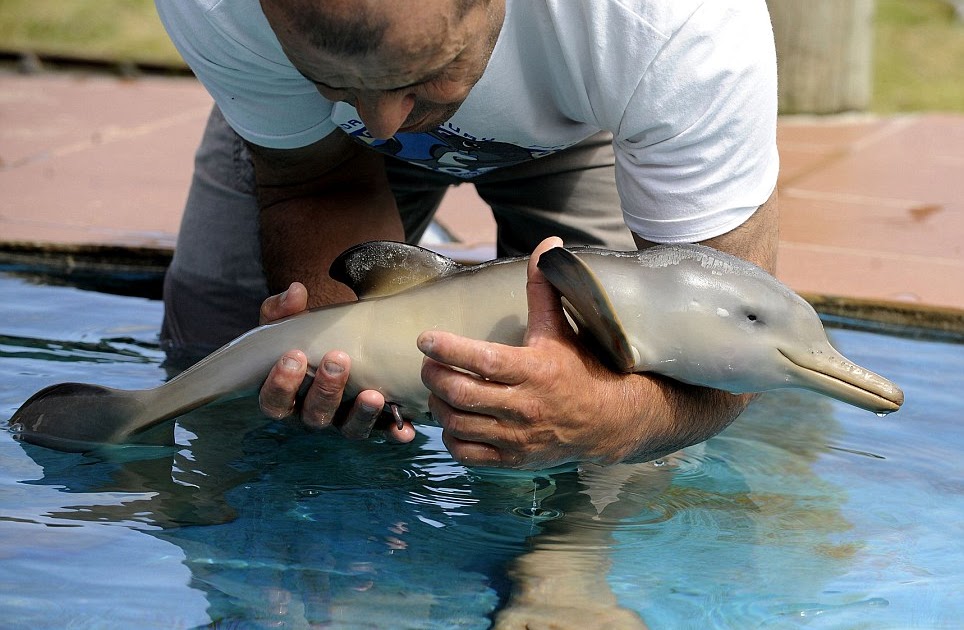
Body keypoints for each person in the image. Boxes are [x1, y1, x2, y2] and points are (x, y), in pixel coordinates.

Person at [154, 0, 779, 469]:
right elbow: (316, 182)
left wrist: (605, 417)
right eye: (334, 78)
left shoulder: (673, 25)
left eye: (425, 73)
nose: (383, 122)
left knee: (620, 397)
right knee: (215, 348)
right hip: (322, 146)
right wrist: (348, 352)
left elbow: (729, 353)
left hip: (581, 113)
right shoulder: (218, 7)